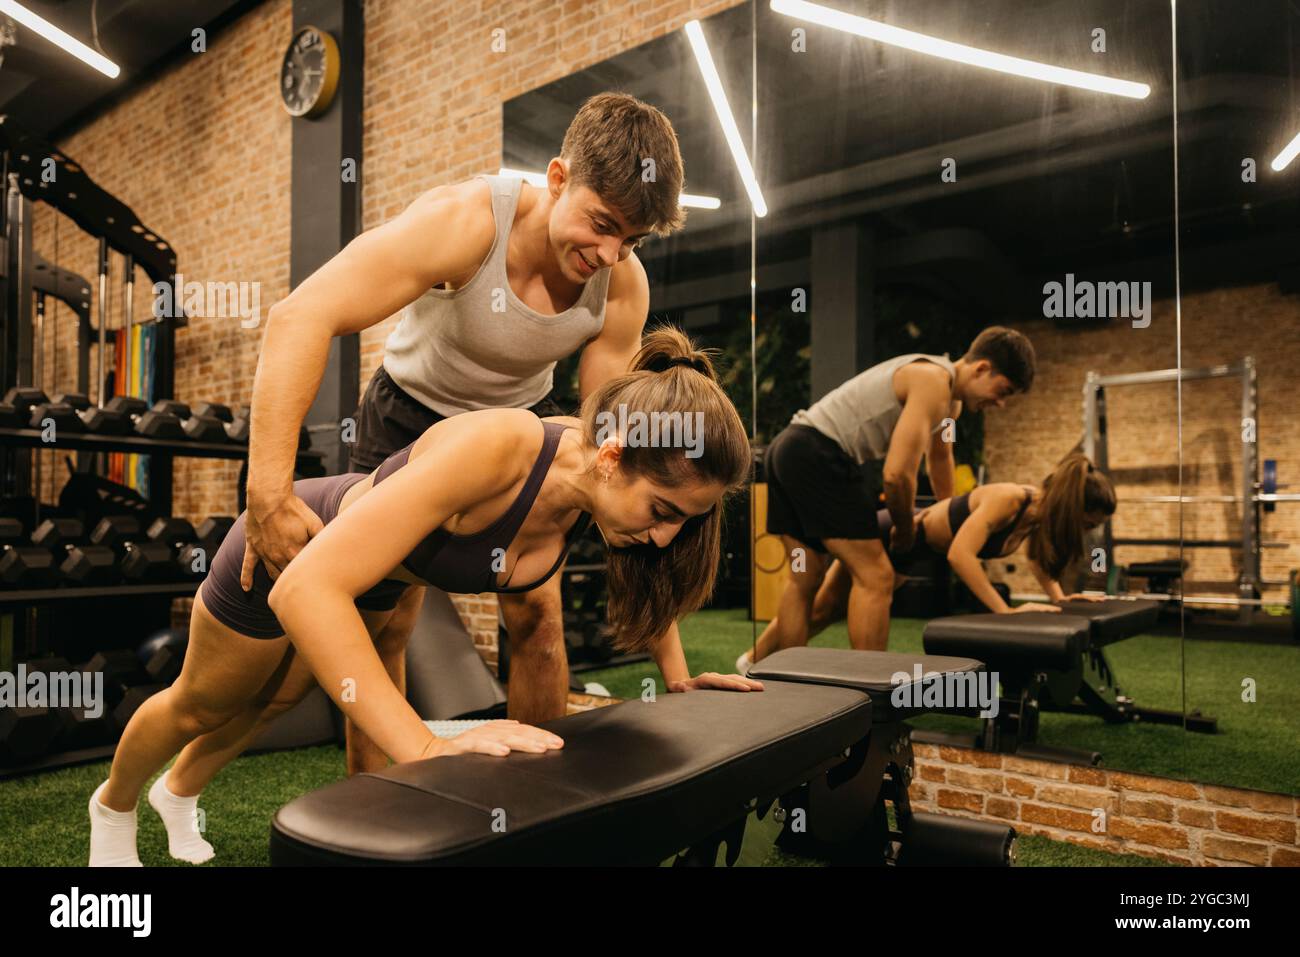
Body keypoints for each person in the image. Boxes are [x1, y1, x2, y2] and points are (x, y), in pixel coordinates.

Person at [88, 329, 758, 867]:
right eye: (663, 509)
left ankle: (178, 791)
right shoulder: (497, 450)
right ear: (613, 457)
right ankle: (113, 807)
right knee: (203, 701)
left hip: (378, 578)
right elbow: (307, 586)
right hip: (293, 552)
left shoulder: (583, 499)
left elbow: (544, 630)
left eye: (684, 521)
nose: (665, 534)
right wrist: (423, 746)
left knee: (277, 700)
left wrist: (677, 677)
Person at [242, 93, 682, 776]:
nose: (611, 252)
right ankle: (373, 806)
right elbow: (301, 315)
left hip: (519, 435)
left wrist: (673, 664)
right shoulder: (465, 222)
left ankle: (542, 804)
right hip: (408, 417)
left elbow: (608, 457)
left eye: (632, 239)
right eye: (602, 224)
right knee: (386, 623)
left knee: (539, 616)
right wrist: (267, 493)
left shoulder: (621, 287)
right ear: (558, 177)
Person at [743, 327, 1037, 667]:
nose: (1000, 403)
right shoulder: (933, 383)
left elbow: (940, 457)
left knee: (804, 578)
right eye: (1003, 391)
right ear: (982, 368)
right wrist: (905, 528)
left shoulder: (950, 406)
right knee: (877, 576)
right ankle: (871, 699)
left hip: (787, 448)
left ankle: (785, 679)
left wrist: (951, 512)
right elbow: (897, 476)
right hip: (818, 454)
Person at [757, 454, 1117, 654]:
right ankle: (755, 661)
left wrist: (1061, 599)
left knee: (823, 610)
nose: (1087, 532)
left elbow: (1037, 562)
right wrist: (1005, 611)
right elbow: (961, 555)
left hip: (912, 555)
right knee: (819, 608)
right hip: (891, 533)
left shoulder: (1035, 520)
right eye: (1087, 524)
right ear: (1072, 509)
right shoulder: (1009, 498)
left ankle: (752, 660)